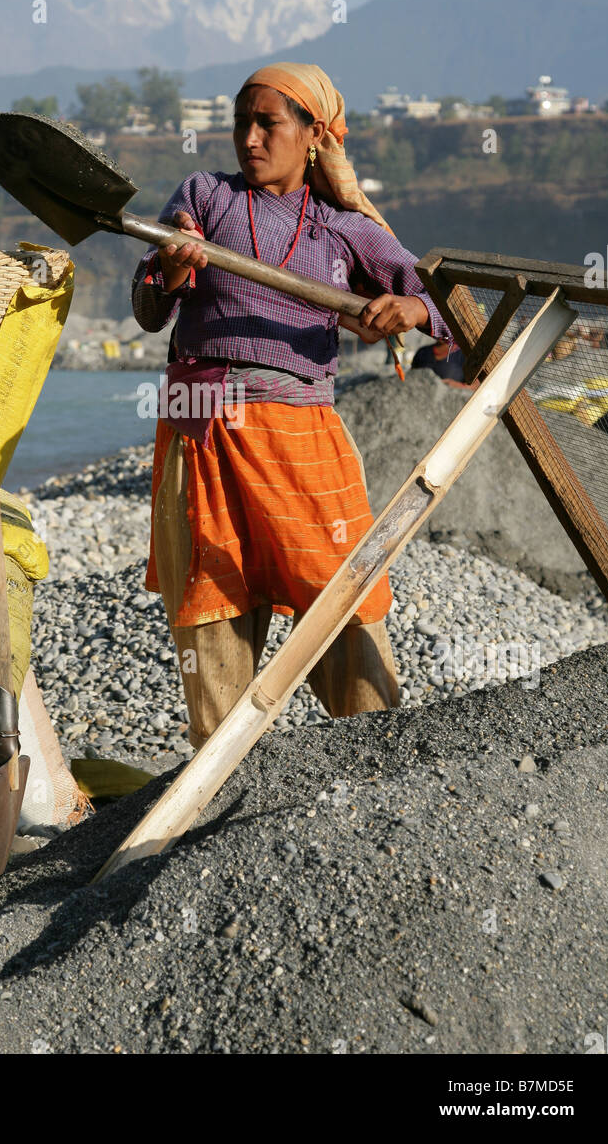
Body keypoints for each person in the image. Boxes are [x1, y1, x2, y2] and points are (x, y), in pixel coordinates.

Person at [131, 62, 454, 749]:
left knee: (343, 613)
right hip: (202, 439)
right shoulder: (204, 198)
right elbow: (148, 309)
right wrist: (174, 269)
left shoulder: (344, 228)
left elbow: (450, 311)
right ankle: (217, 787)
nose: (248, 139)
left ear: (313, 136)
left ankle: (382, 766)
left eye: (267, 124)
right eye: (241, 123)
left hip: (300, 444)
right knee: (212, 628)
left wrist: (410, 308)